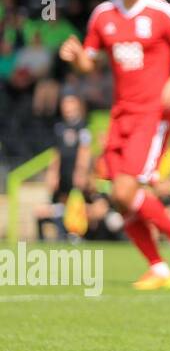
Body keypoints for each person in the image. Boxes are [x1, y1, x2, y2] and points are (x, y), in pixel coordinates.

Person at [58, 0, 170, 289]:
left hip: (153, 114)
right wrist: (76, 56)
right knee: (119, 198)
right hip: (120, 114)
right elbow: (89, 64)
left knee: (125, 191)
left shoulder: (162, 13)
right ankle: (158, 267)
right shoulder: (102, 16)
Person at [35, 94, 93, 242]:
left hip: (75, 172)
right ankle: (63, 235)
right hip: (63, 173)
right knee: (60, 203)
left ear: (77, 105)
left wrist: (81, 171)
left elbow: (84, 150)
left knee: (76, 203)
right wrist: (52, 173)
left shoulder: (82, 126)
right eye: (65, 104)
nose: (67, 107)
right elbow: (56, 153)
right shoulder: (60, 127)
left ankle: (77, 234)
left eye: (70, 103)